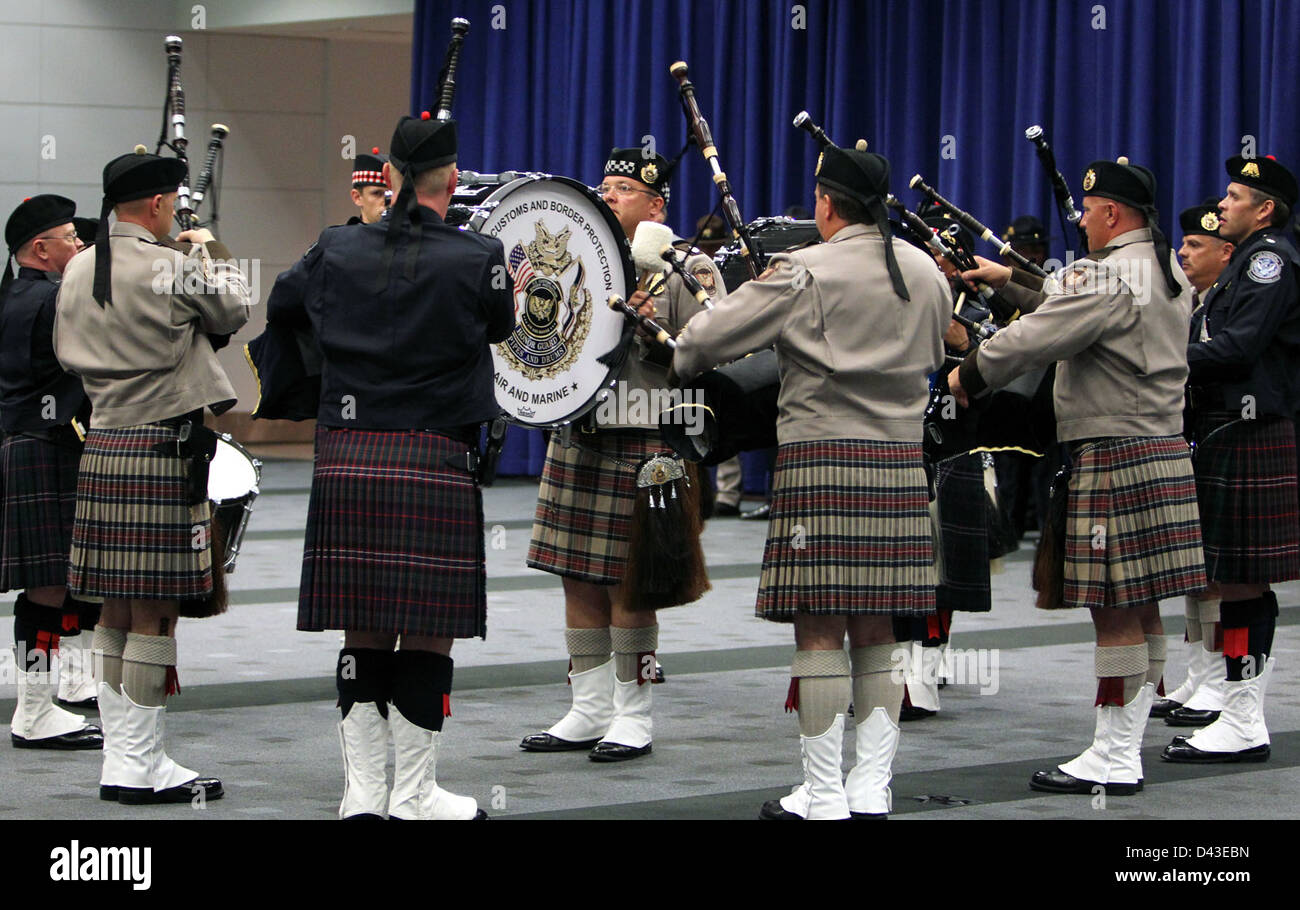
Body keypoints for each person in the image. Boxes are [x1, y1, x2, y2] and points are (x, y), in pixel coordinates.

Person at [673, 142, 951, 820]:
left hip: (822, 466)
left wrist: (712, 307)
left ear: (826, 204)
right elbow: (941, 351)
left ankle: (823, 794)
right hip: (899, 466)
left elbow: (702, 345)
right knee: (881, 632)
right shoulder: (926, 271)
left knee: (820, 631)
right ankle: (870, 789)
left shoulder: (801, 270)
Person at [263, 112, 511, 819]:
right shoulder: (479, 254)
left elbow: (283, 303)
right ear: (454, 179)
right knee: (428, 626)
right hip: (433, 453)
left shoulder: (337, 248)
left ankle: (362, 794)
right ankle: (413, 794)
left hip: (348, 452)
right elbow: (499, 323)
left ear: (392, 177)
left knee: (362, 626)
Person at [948, 158, 1206, 796]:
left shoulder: (1109, 275)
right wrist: (1009, 279)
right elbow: (1077, 304)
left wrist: (966, 375)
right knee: (1142, 610)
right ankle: (1125, 750)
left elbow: (1036, 337)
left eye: (1089, 210)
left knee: (1112, 610)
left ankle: (1112, 756)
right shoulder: (1164, 266)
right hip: (1162, 450)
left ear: (1112, 213)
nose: (1082, 219)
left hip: (1114, 455)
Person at [54, 148, 251, 804]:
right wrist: (211, 250)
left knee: (111, 610)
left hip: (104, 446)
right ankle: (143, 764)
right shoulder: (172, 266)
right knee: (156, 616)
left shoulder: (78, 267)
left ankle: (121, 757)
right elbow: (233, 312)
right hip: (162, 453)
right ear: (159, 205)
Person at [522, 147, 722, 762]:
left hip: (645, 437)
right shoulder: (576, 258)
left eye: (623, 189)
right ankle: (587, 708)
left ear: (656, 204)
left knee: (630, 585)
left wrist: (651, 333)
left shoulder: (688, 267)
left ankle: (633, 712)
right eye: (604, 187)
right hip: (578, 432)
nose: (607, 196)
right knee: (575, 575)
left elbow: (715, 353)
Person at [1163, 154, 1300, 764]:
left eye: (1234, 196)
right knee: (1233, 578)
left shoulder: (1269, 261)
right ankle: (1234, 702)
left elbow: (1241, 345)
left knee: (1243, 582)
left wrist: (1162, 357)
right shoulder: (1249, 259)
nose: (1223, 205)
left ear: (1265, 208)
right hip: (1229, 429)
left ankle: (1245, 716)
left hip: (1253, 427)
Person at [2, 194, 101, 748]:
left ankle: (40, 703)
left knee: (51, 586)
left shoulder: (15, 293)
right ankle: (35, 712)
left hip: (27, 441)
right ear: (42, 248)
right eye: (70, 237)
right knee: (48, 588)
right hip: (50, 445)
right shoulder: (54, 297)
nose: (79, 244)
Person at [1150, 198, 1236, 725]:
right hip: (1194, 439)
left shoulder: (1227, 303)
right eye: (1182, 244)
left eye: (1196, 246)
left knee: (1221, 574)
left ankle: (1222, 678)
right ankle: (1202, 672)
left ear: (1227, 253)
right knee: (1197, 571)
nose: (1183, 253)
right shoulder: (1198, 301)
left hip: (1221, 437)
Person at [347, 147, 391, 225]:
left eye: (392, 194)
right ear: (357, 197)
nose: (387, 201)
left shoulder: (412, 235)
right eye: (377, 193)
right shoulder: (341, 236)